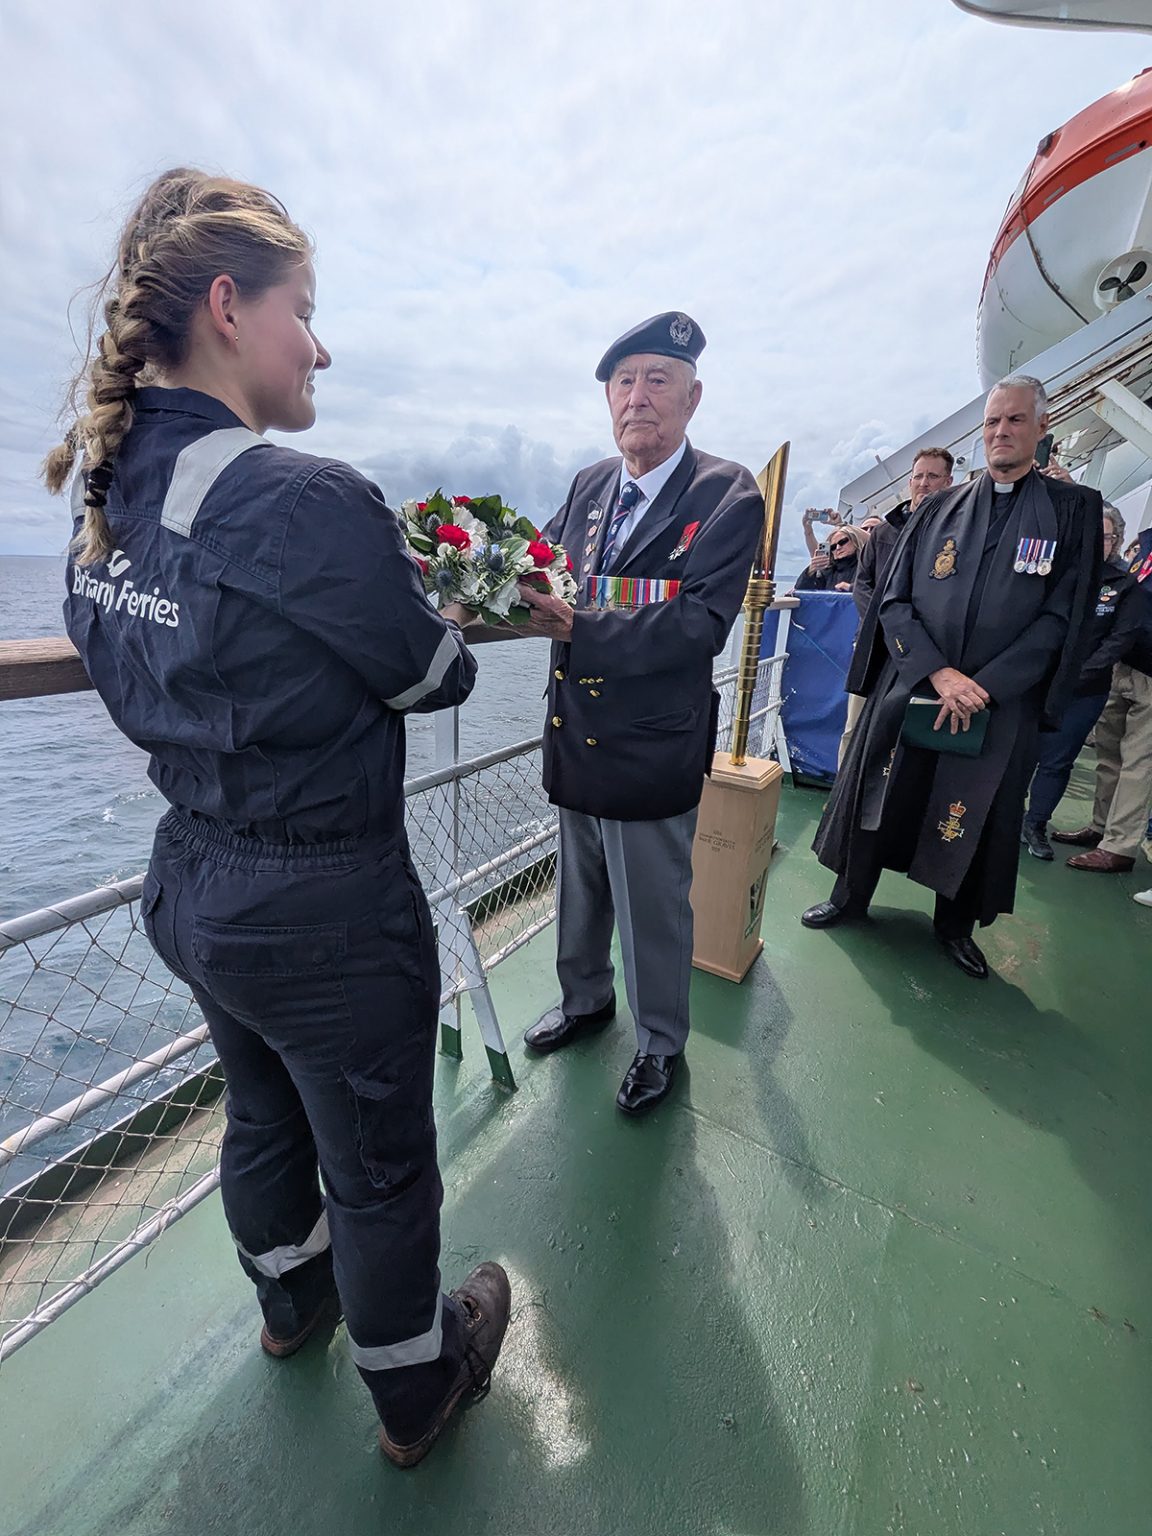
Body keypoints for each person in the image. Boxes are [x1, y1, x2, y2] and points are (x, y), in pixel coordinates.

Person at [46, 168, 510, 1467]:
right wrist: (435, 610)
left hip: (193, 888)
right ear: (230, 306)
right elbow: (432, 673)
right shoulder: (304, 501)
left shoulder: (109, 495)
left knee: (258, 1117)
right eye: (307, 310)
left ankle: (289, 1306)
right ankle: (418, 1392)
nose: (322, 344)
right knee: (376, 1167)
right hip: (325, 912)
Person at [510, 312, 764, 1114]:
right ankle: (586, 1001)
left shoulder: (725, 493)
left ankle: (661, 1042)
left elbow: (699, 624)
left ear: (693, 396)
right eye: (624, 382)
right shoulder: (590, 483)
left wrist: (579, 625)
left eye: (658, 380)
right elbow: (541, 565)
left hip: (652, 748)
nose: (638, 397)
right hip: (576, 736)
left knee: (654, 909)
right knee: (579, 893)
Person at [805, 375, 1100, 979]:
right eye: (992, 421)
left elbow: (1061, 618)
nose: (1001, 432)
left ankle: (954, 926)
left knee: (975, 806)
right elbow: (894, 599)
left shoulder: (1072, 513)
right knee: (881, 792)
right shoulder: (937, 507)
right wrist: (938, 672)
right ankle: (850, 897)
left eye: (1015, 421)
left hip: (1000, 698)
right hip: (917, 679)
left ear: (1042, 429)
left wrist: (984, 686)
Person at [1021, 505, 1141, 859]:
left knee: (1057, 760)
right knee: (1021, 754)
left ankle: (1035, 824)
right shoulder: (1054, 575)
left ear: (1116, 541)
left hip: (1083, 690)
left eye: (1104, 537)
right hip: (1037, 681)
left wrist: (1078, 675)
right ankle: (1005, 820)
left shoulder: (1124, 585)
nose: (1096, 543)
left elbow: (1121, 639)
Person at [1051, 524, 1152, 873]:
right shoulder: (1148, 545)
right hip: (1125, 665)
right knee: (1110, 755)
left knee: (1140, 763)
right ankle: (1101, 825)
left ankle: (1119, 846)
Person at [852, 448, 955, 620]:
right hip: (880, 636)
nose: (923, 483)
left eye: (932, 476)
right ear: (910, 482)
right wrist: (886, 623)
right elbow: (862, 585)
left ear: (948, 482)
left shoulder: (956, 531)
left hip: (927, 637)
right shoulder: (882, 533)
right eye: (918, 476)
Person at [795, 522, 867, 592]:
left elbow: (875, 589)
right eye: (833, 547)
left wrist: (850, 588)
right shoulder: (827, 572)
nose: (838, 548)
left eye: (843, 542)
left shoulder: (866, 566)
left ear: (855, 541)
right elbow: (802, 591)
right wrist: (810, 572)